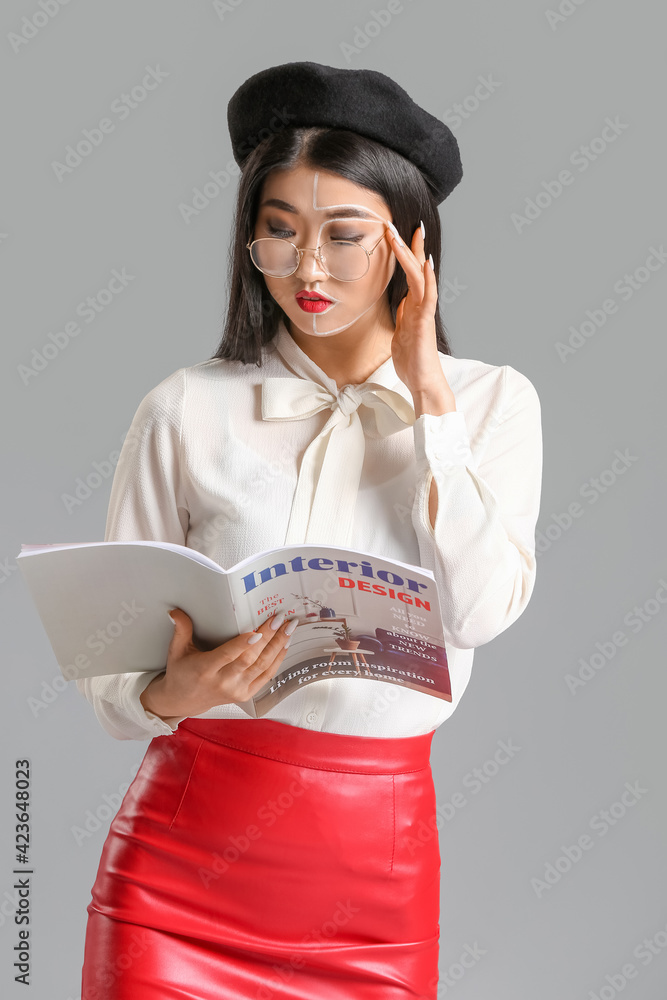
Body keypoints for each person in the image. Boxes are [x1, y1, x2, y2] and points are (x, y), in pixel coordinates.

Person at [77, 61, 542, 1000]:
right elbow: (109, 679)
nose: (309, 269)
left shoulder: (492, 403)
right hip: (179, 871)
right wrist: (172, 690)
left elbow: (479, 612)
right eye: (280, 232)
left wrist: (430, 407)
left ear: (410, 243)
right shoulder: (185, 408)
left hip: (374, 888)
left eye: (344, 235)